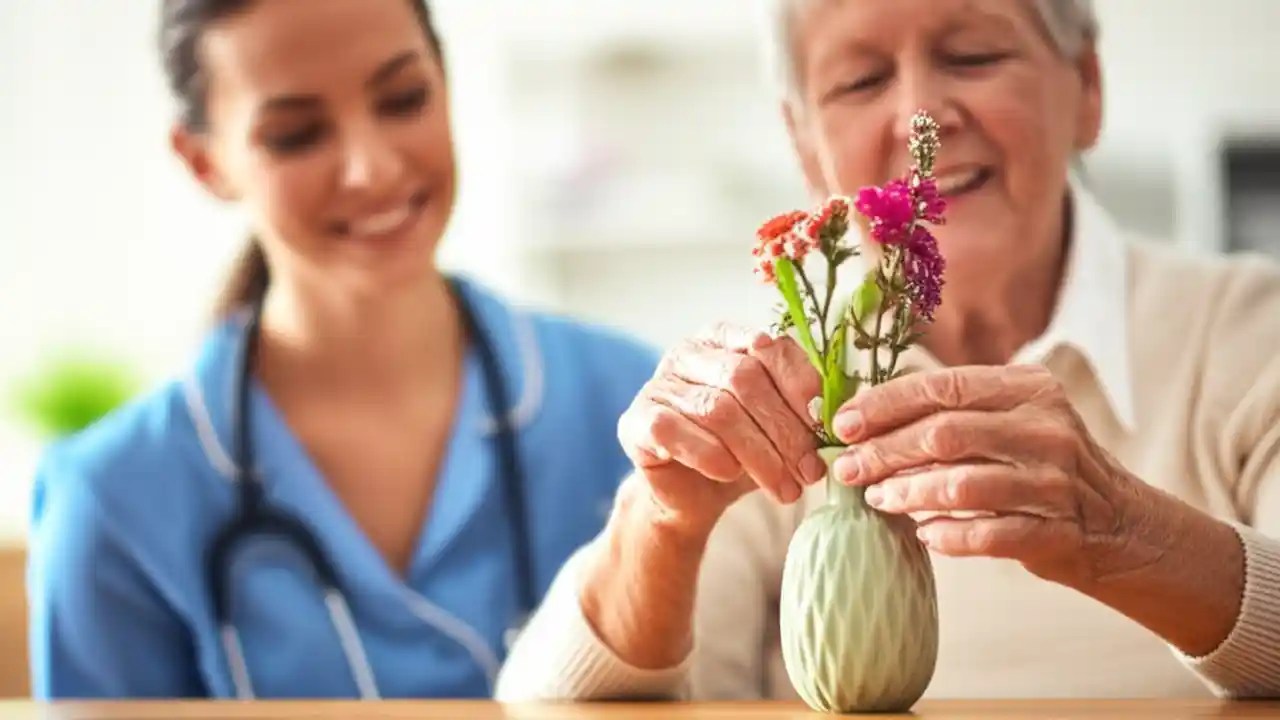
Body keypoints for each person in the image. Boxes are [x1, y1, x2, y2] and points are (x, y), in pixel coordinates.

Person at [495, 0, 1280, 702]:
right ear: (806, 147)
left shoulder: (1251, 334)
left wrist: (1125, 533)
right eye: (862, 80)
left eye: (973, 56)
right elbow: (549, 700)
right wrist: (659, 523)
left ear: (1087, 87)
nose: (918, 114)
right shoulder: (774, 390)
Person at [25, 0, 659, 700]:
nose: (372, 168)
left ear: (445, 80)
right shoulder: (113, 503)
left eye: (404, 99)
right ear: (203, 160)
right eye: (296, 135)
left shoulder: (638, 410)